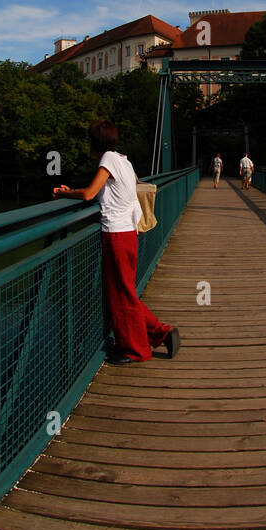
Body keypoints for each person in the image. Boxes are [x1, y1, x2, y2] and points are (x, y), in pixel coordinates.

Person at [52, 120, 178, 362]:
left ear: (94, 141)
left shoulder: (107, 159)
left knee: (122, 295)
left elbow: (89, 194)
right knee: (125, 292)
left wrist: (64, 192)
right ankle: (162, 332)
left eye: (89, 139)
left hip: (116, 234)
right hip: (128, 233)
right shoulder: (124, 160)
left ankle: (137, 351)